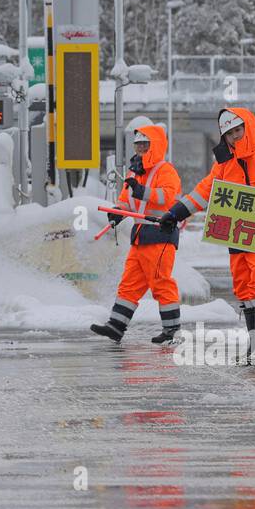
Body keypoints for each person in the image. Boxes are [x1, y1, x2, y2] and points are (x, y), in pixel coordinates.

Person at [157, 107, 255, 365]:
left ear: (248, 127)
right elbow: (203, 193)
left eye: (238, 130)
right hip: (238, 238)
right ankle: (254, 349)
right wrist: (176, 213)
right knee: (245, 290)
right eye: (229, 134)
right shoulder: (224, 166)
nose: (235, 137)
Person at [91, 119, 182, 345]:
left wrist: (142, 191)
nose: (140, 148)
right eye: (137, 144)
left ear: (156, 145)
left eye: (145, 144)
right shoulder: (134, 173)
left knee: (161, 283)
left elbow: (167, 197)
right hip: (140, 236)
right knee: (129, 284)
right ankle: (116, 326)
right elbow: (125, 202)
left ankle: (172, 330)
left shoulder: (166, 170)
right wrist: (117, 213)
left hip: (161, 235)